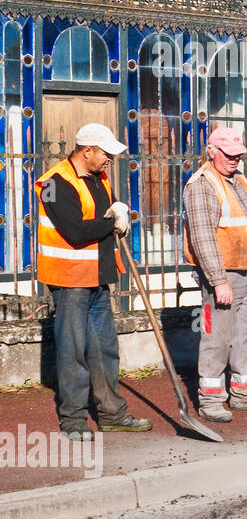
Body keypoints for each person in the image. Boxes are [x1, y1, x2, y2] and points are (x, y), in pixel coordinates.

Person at [35, 123, 152, 439]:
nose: (110, 160)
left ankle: (113, 413)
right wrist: (112, 220)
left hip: (98, 278)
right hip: (69, 281)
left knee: (104, 350)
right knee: (73, 352)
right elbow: (75, 232)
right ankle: (73, 421)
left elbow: (101, 222)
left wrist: (118, 212)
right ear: (86, 151)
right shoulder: (52, 183)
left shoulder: (99, 179)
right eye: (106, 153)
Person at [182, 127, 247, 422]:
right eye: (229, 153)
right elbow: (202, 238)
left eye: (238, 154)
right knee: (215, 336)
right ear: (212, 152)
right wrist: (218, 280)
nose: (235, 158)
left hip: (245, 271)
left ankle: (245, 394)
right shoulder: (201, 184)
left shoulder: (236, 180)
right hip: (220, 276)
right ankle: (210, 401)